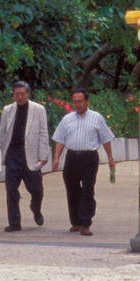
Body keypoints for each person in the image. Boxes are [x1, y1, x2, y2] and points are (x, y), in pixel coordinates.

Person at [51, 89, 116, 236]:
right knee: (72, 189)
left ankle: (86, 223)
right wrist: (56, 158)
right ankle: (76, 222)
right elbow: (60, 139)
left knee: (87, 189)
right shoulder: (67, 119)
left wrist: (111, 158)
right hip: (72, 157)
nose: (77, 104)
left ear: (87, 101)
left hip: (89, 158)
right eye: (75, 101)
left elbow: (106, 139)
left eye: (80, 101)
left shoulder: (96, 118)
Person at [0, 81, 50, 231]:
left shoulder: (38, 110)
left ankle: (36, 208)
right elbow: (2, 134)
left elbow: (43, 133)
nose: (20, 97)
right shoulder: (8, 110)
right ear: (13, 95)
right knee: (11, 189)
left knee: (37, 189)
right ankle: (14, 222)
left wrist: (43, 155)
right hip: (13, 154)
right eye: (17, 94)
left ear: (27, 94)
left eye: (23, 94)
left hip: (31, 154)